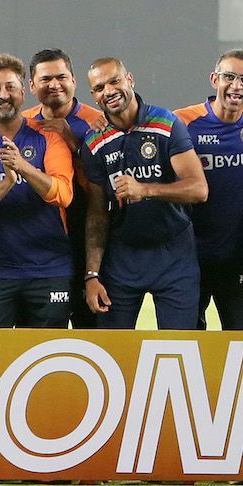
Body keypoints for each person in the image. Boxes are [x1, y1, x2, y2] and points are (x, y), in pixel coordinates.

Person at [79, 57, 208, 330]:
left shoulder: (166, 122)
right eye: (100, 87)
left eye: (115, 81)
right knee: (113, 354)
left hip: (174, 254)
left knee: (180, 350)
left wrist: (145, 189)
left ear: (130, 80)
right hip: (123, 257)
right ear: (93, 96)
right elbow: (97, 214)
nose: (110, 91)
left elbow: (199, 188)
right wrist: (92, 275)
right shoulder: (93, 143)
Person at [0, 54, 75, 327]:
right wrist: (6, 182)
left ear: (23, 91)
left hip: (49, 270)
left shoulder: (48, 137)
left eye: (10, 87)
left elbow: (63, 194)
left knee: (46, 360)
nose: (3, 95)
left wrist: (23, 167)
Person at [174, 50, 243, 330]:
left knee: (241, 343)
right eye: (229, 77)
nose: (236, 86)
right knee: (189, 343)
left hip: (239, 258)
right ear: (214, 79)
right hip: (190, 256)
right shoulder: (183, 122)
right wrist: (100, 121)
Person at [23, 48, 103, 329]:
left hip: (87, 234)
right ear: (32, 86)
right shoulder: (24, 122)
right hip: (39, 240)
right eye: (45, 79)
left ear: (74, 81)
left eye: (61, 77)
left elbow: (107, 182)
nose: (54, 84)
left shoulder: (99, 122)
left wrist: (74, 143)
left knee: (89, 327)